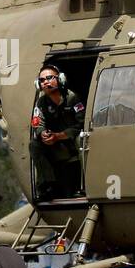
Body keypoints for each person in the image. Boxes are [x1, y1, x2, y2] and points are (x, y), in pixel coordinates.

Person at [32, 64, 85, 201]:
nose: (46, 82)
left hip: (71, 142)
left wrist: (59, 136)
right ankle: (47, 186)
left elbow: (81, 124)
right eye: (42, 80)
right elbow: (38, 124)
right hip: (55, 144)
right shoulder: (41, 103)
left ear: (60, 79)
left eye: (49, 78)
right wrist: (43, 133)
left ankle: (83, 185)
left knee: (82, 139)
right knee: (35, 145)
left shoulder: (72, 98)